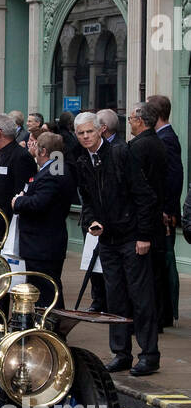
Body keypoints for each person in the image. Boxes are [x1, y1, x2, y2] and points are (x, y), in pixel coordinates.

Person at [74, 109, 159, 376]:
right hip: (108, 240)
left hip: (132, 238)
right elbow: (87, 200)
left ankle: (149, 355)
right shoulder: (83, 161)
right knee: (115, 299)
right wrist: (91, 221)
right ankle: (121, 353)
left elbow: (144, 196)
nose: (86, 136)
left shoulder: (122, 153)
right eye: (81, 133)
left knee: (141, 298)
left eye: (90, 131)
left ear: (101, 130)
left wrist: (143, 236)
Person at [11, 131, 75, 308]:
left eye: (36, 145)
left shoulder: (53, 172)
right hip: (43, 243)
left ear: (44, 151)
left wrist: (19, 201)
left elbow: (39, 203)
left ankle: (52, 329)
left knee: (46, 290)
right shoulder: (55, 168)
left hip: (43, 244)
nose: (32, 147)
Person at [128, 100, 170, 330]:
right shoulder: (156, 143)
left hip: (143, 219)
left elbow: (138, 188)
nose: (130, 124)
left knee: (143, 277)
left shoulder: (139, 146)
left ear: (140, 121)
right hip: (152, 216)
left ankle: (145, 323)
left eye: (132, 119)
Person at [149, 93, 183, 325]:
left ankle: (165, 312)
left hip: (164, 213)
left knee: (163, 263)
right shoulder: (163, 137)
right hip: (163, 209)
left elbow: (173, 177)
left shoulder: (166, 138)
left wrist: (169, 209)